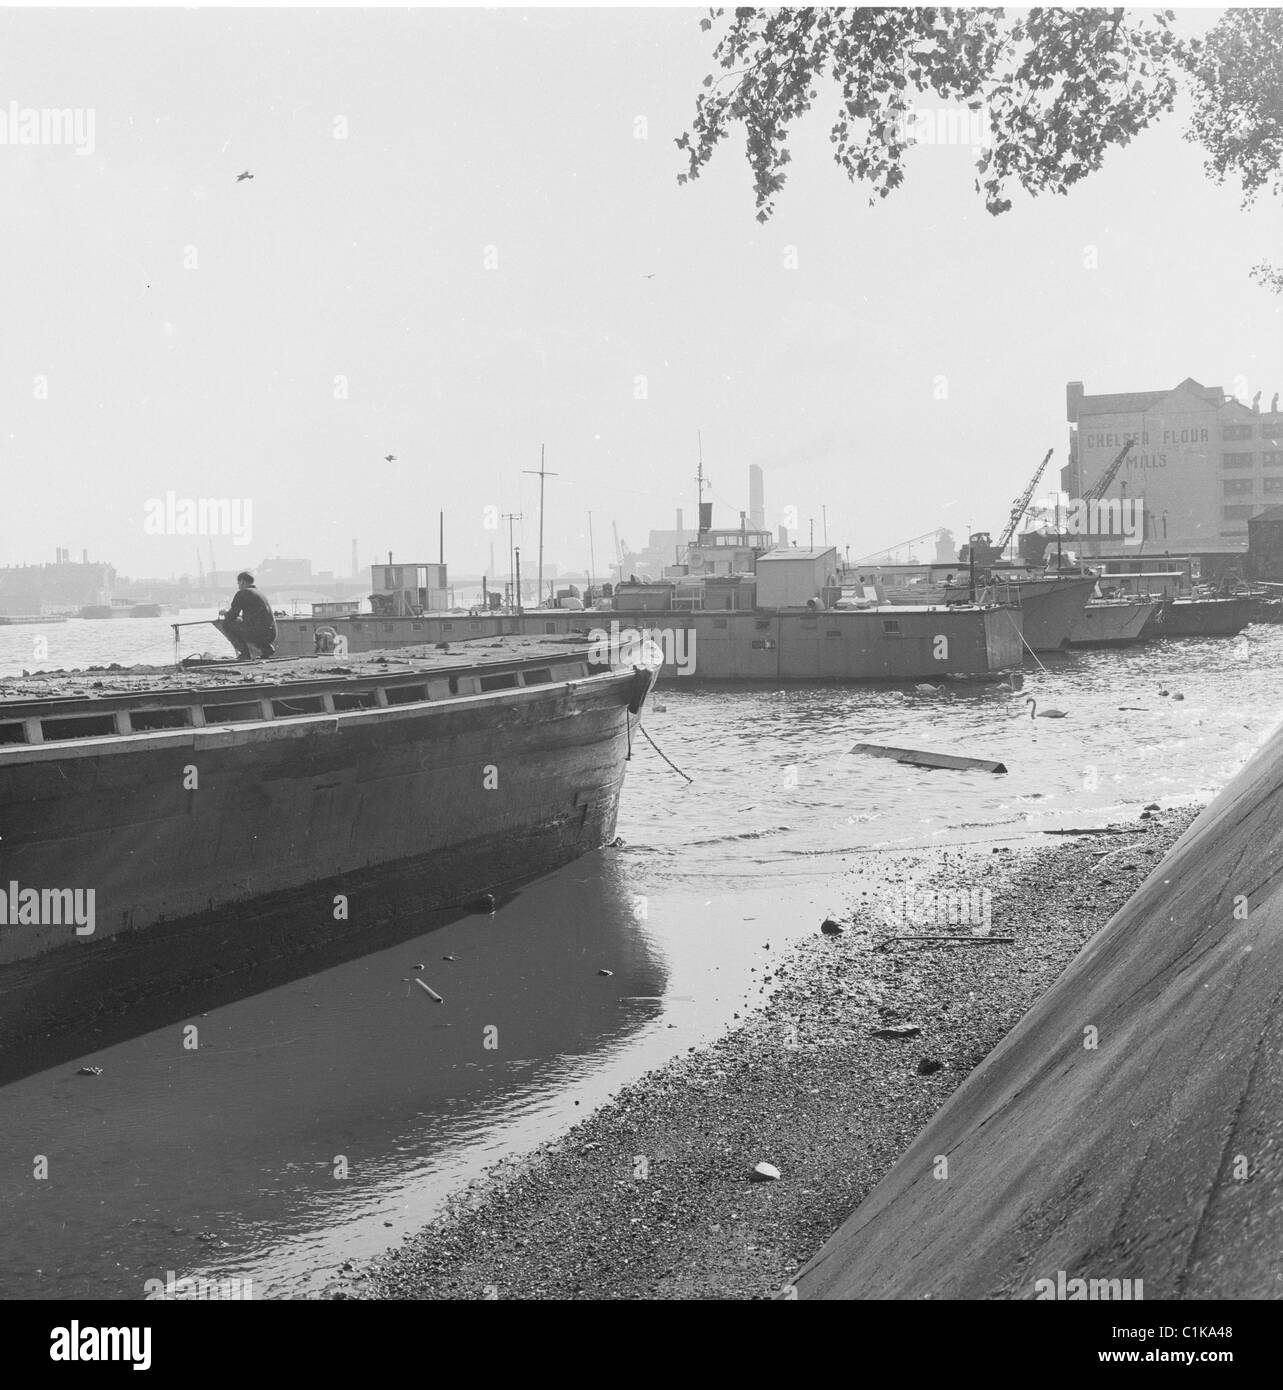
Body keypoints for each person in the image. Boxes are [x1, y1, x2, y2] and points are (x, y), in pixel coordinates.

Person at [214, 572, 277, 659]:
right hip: (271, 634)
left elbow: (231, 616)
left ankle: (244, 654)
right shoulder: (260, 593)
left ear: (242, 582)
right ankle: (267, 650)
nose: (238, 586)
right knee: (250, 626)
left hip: (258, 633)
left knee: (226, 624)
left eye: (238, 583)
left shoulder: (242, 593)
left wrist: (225, 613)